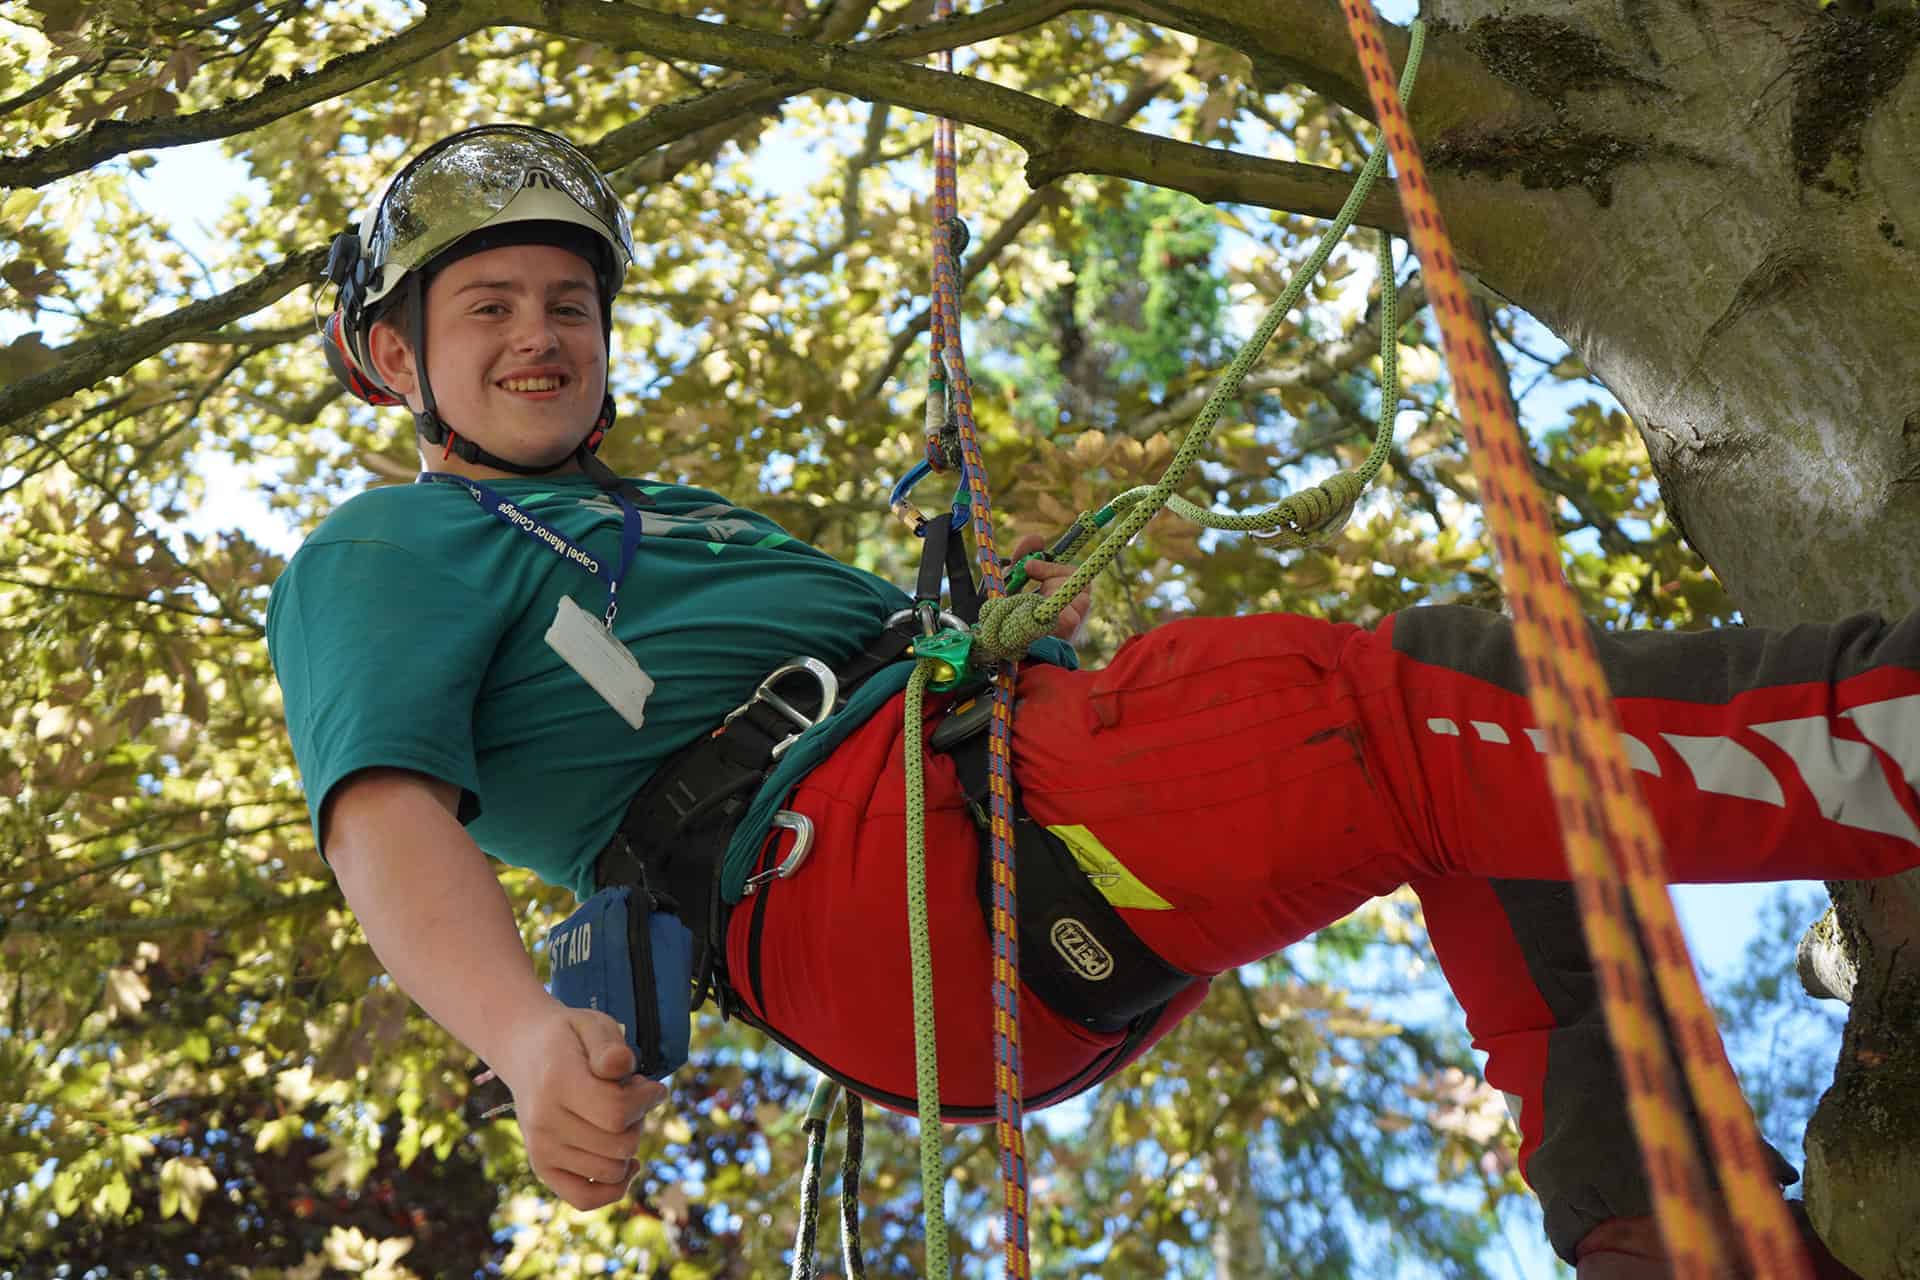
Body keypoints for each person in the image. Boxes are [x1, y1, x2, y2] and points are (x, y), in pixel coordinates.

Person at [269, 125, 1907, 1276]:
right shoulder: (395, 544)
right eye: (487, 310)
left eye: (569, 303)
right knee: (1392, 710)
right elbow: (378, 812)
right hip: (869, 877)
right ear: (397, 362)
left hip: (967, 836)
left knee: (1463, 777)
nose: (541, 335)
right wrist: (521, 1030)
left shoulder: (678, 524)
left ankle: (1660, 1221)